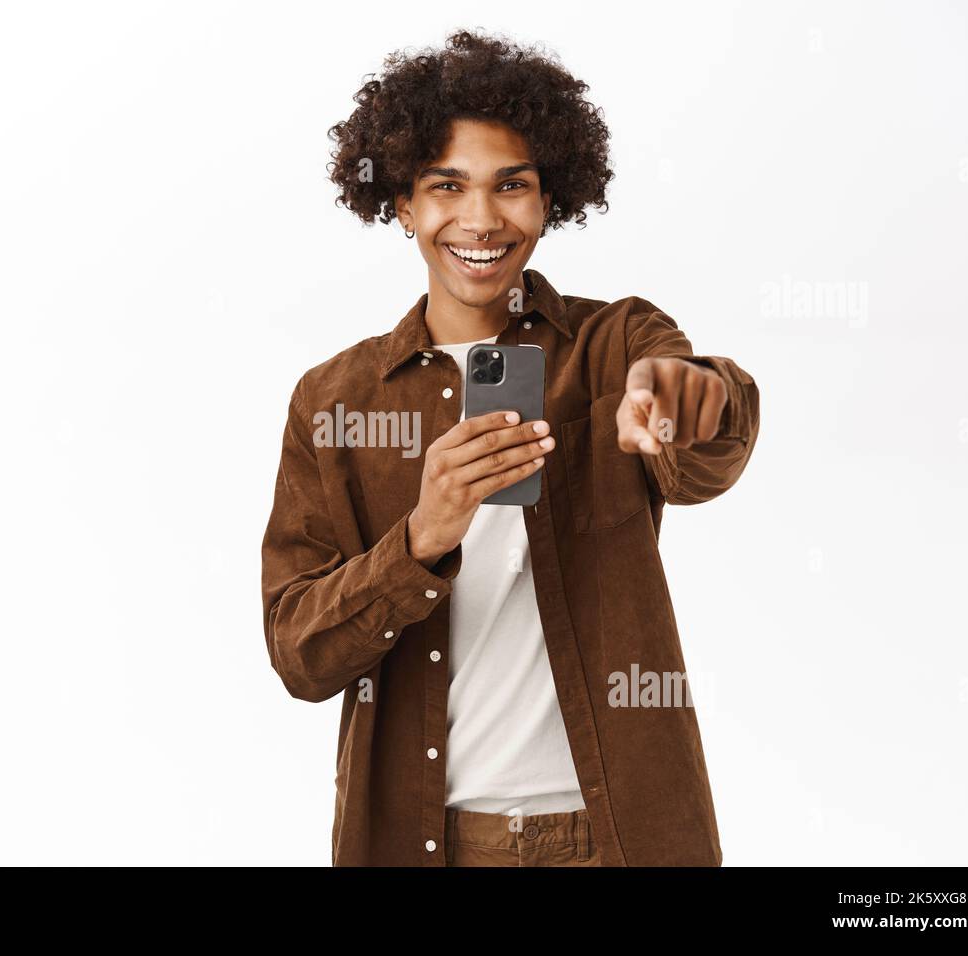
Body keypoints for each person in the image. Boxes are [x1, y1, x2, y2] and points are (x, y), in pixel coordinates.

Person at [260, 28, 761, 866]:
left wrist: (687, 400)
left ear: (549, 200)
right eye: (446, 185)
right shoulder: (335, 400)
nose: (482, 219)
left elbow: (710, 432)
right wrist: (421, 538)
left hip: (618, 838)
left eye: (512, 186)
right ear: (403, 206)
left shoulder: (614, 342)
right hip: (431, 843)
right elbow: (300, 655)